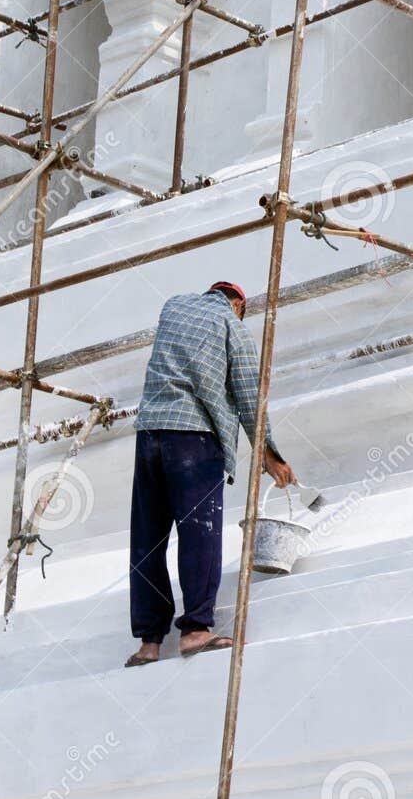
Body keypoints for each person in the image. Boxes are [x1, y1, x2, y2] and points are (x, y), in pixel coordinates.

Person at [126, 280, 296, 667]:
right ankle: (196, 630)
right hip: (193, 437)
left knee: (147, 539)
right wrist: (268, 454)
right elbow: (248, 394)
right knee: (199, 531)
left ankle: (149, 642)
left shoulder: (172, 305)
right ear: (238, 304)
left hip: (150, 431)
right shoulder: (233, 327)